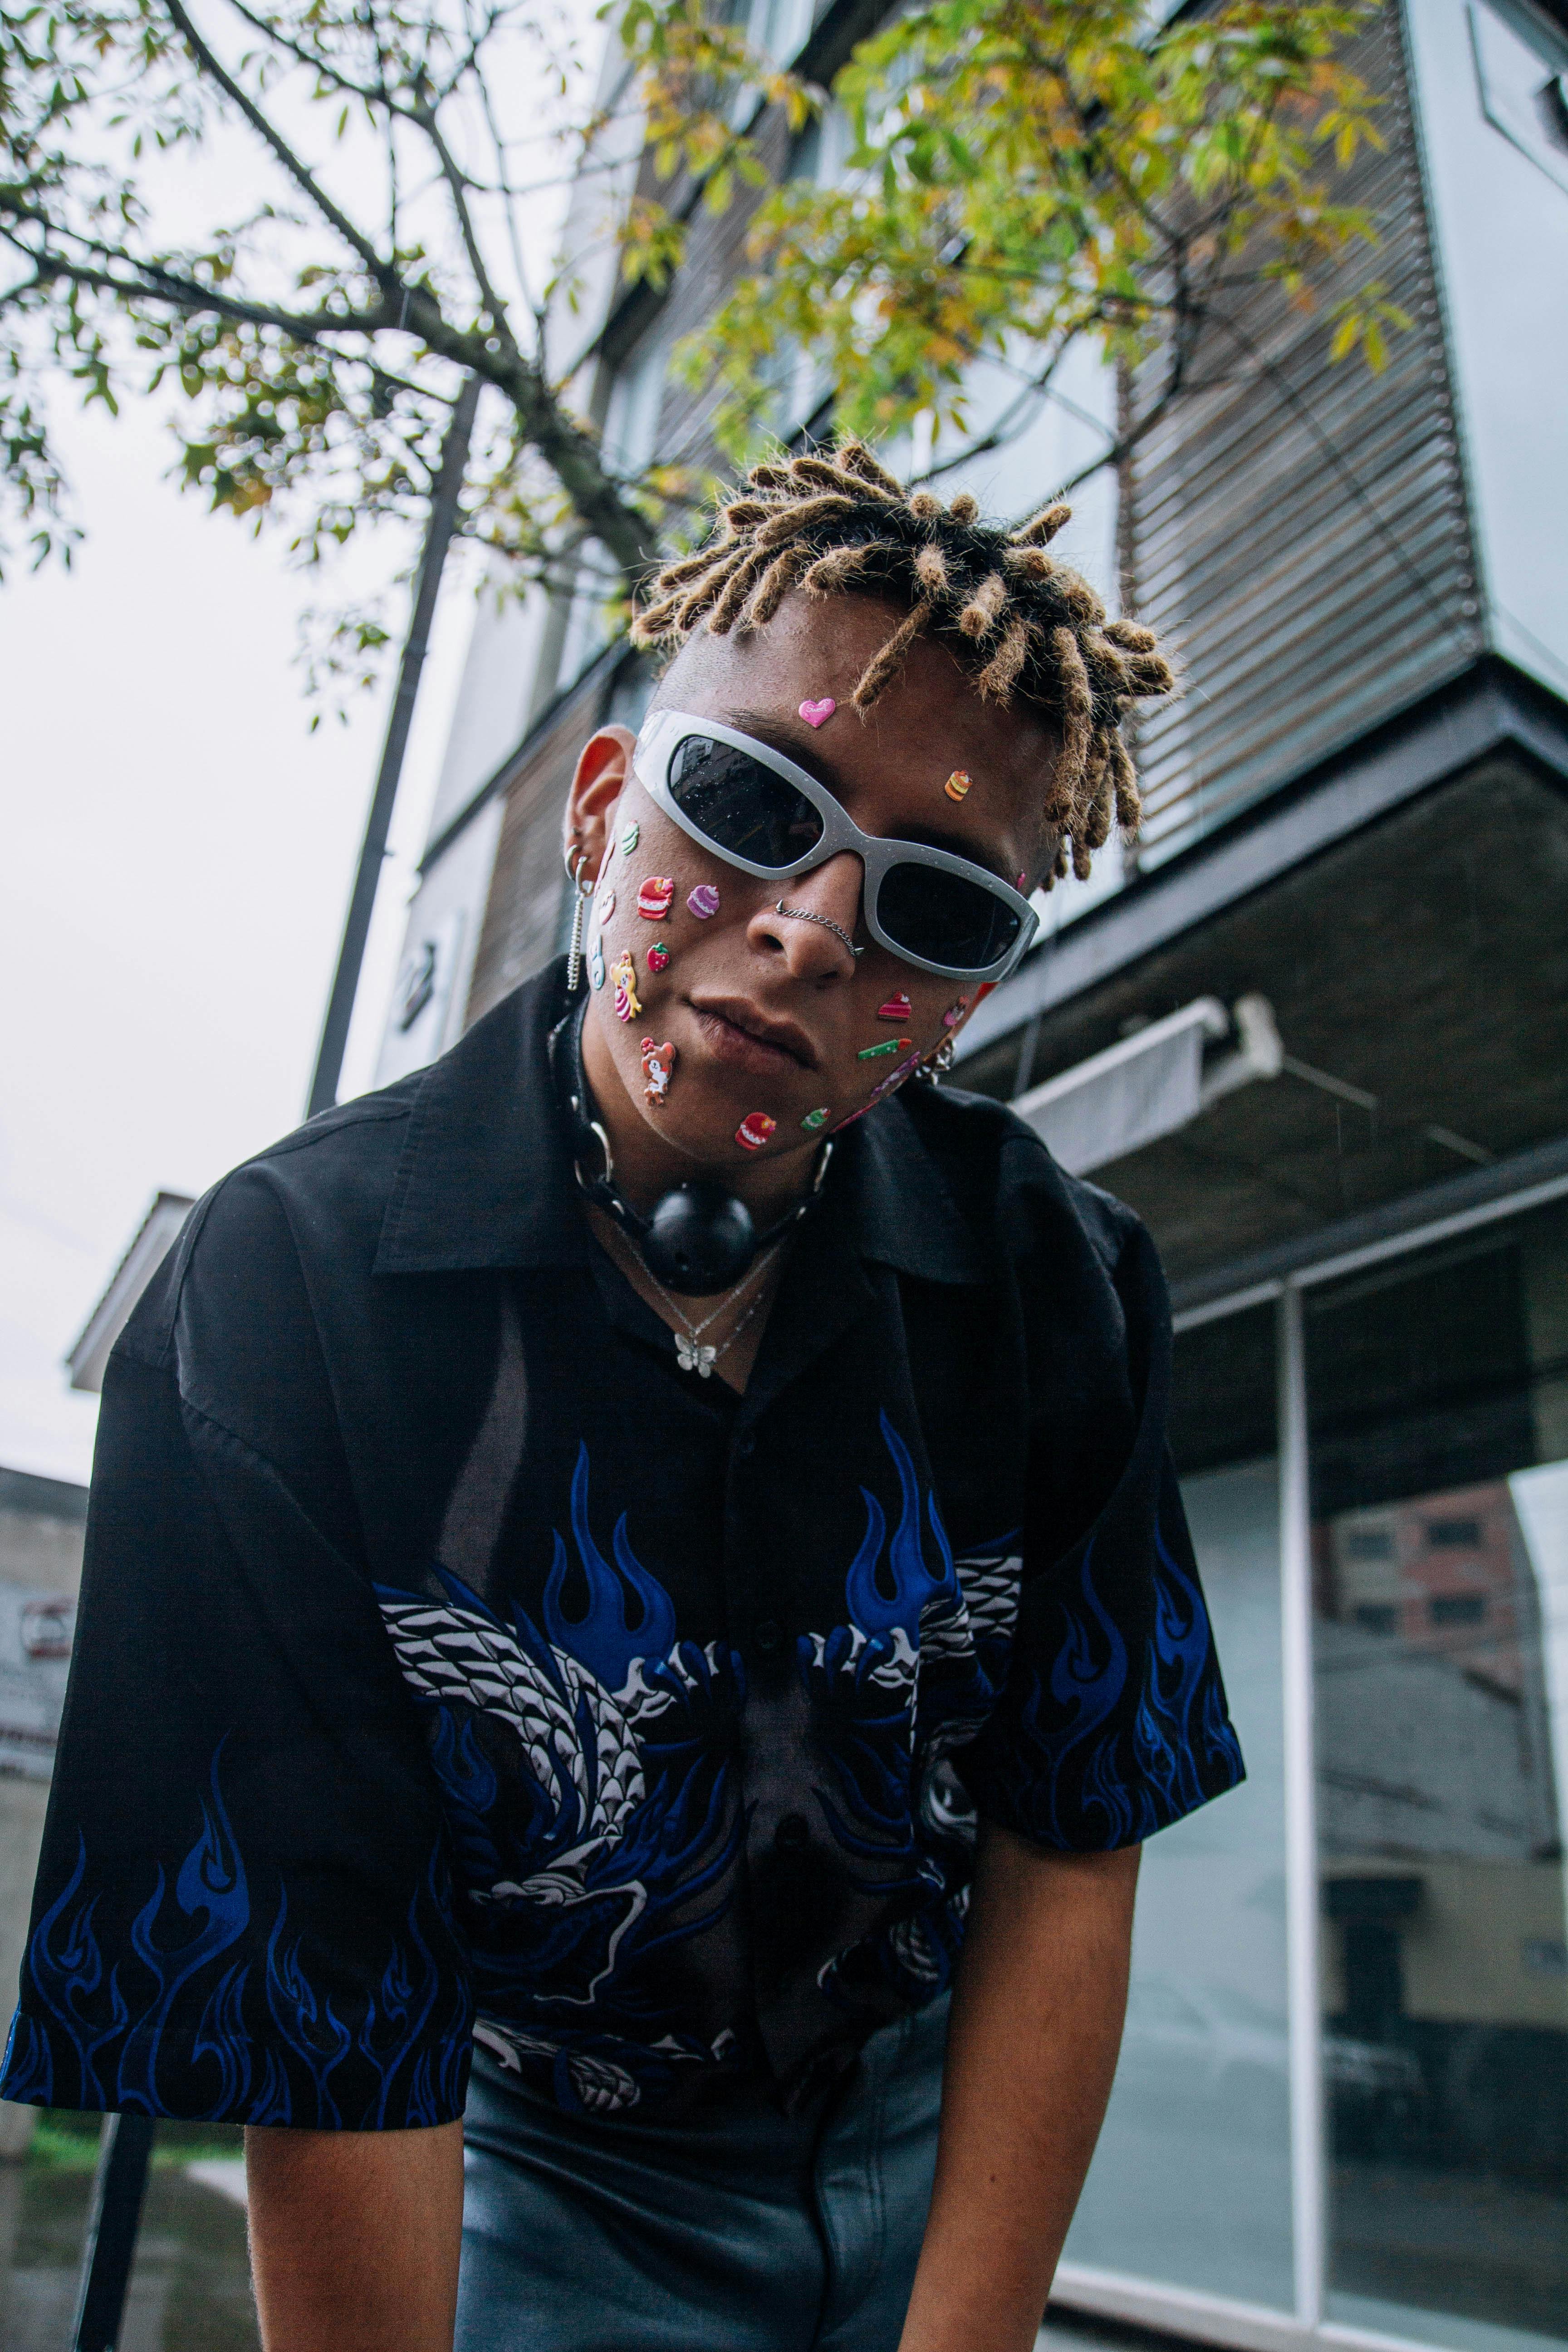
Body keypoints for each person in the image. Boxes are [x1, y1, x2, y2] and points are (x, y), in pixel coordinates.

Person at [1, 442, 1244, 2352]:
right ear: (602, 811)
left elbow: (1071, 1842)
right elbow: (330, 2005)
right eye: (752, 798)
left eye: (942, 907)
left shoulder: (1059, 1287)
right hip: (542, 2183)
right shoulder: (288, 1296)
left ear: (971, 1002)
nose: (821, 923)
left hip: (938, 2142)